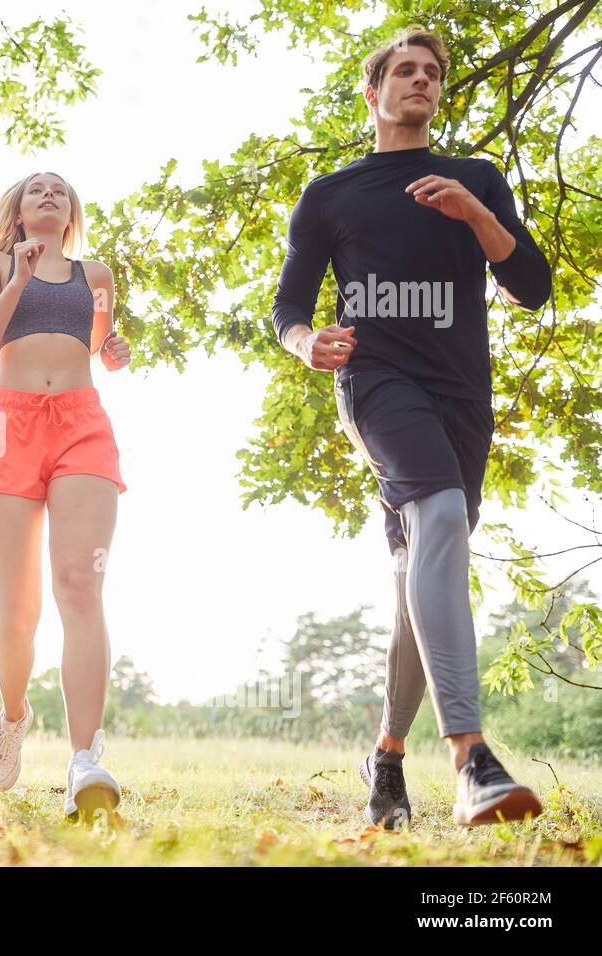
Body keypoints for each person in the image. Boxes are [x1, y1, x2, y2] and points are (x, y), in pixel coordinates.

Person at [271, 27, 552, 828]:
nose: (420, 80)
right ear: (374, 91)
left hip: (463, 395)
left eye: (432, 73)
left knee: (419, 574)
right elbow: (289, 307)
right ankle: (472, 759)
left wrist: (476, 217)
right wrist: (305, 343)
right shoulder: (333, 193)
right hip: (376, 382)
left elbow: (531, 284)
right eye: (404, 70)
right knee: (439, 516)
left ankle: (387, 758)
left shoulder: (475, 178)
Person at [0, 172, 132, 820]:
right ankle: (13, 715)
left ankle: (85, 755)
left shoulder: (97, 273)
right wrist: (18, 281)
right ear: (17, 209)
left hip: (81, 422)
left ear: (72, 211)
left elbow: (93, 349)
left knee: (79, 585)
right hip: (9, 423)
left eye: (59, 189)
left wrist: (112, 349)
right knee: (18, 608)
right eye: (35, 189)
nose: (49, 195)